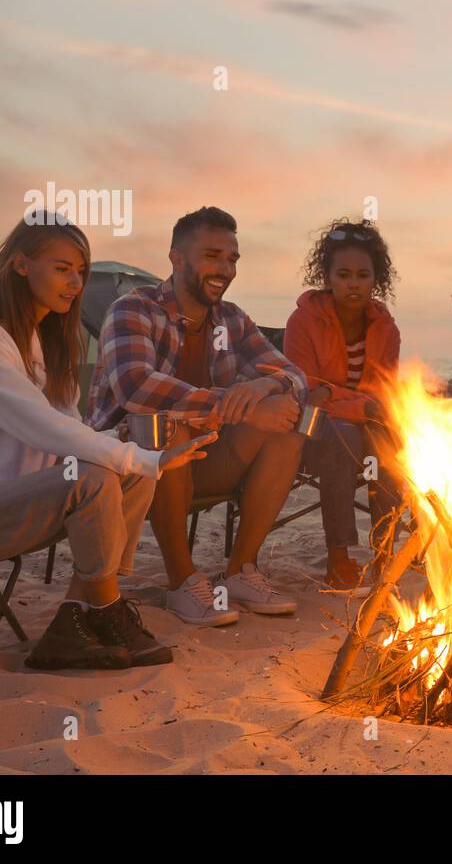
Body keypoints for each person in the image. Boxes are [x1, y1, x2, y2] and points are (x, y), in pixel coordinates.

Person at [0, 216, 215, 670]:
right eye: (63, 269)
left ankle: (72, 621)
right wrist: (137, 456)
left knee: (129, 472)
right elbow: (40, 427)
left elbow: (70, 434)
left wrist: (128, 441)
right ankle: (107, 609)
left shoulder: (41, 342)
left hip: (1, 503)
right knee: (100, 474)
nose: (75, 283)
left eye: (80, 271)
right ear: (20, 264)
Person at [88, 206, 308, 627]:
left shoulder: (232, 320)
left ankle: (240, 571)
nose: (225, 269)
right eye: (212, 256)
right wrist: (238, 406)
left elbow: (295, 376)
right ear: (176, 258)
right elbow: (136, 387)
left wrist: (265, 386)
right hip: (126, 469)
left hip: (199, 461)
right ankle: (182, 581)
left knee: (287, 428)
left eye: (232, 259)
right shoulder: (132, 310)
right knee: (167, 423)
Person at [283, 219, 404, 591]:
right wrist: (362, 408)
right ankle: (338, 558)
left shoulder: (386, 329)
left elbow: (384, 391)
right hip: (311, 430)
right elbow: (307, 390)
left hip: (364, 428)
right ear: (328, 277)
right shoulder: (303, 321)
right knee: (341, 435)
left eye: (363, 275)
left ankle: (385, 554)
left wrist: (367, 409)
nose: (354, 283)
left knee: (390, 439)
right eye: (344, 275)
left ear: (376, 279)